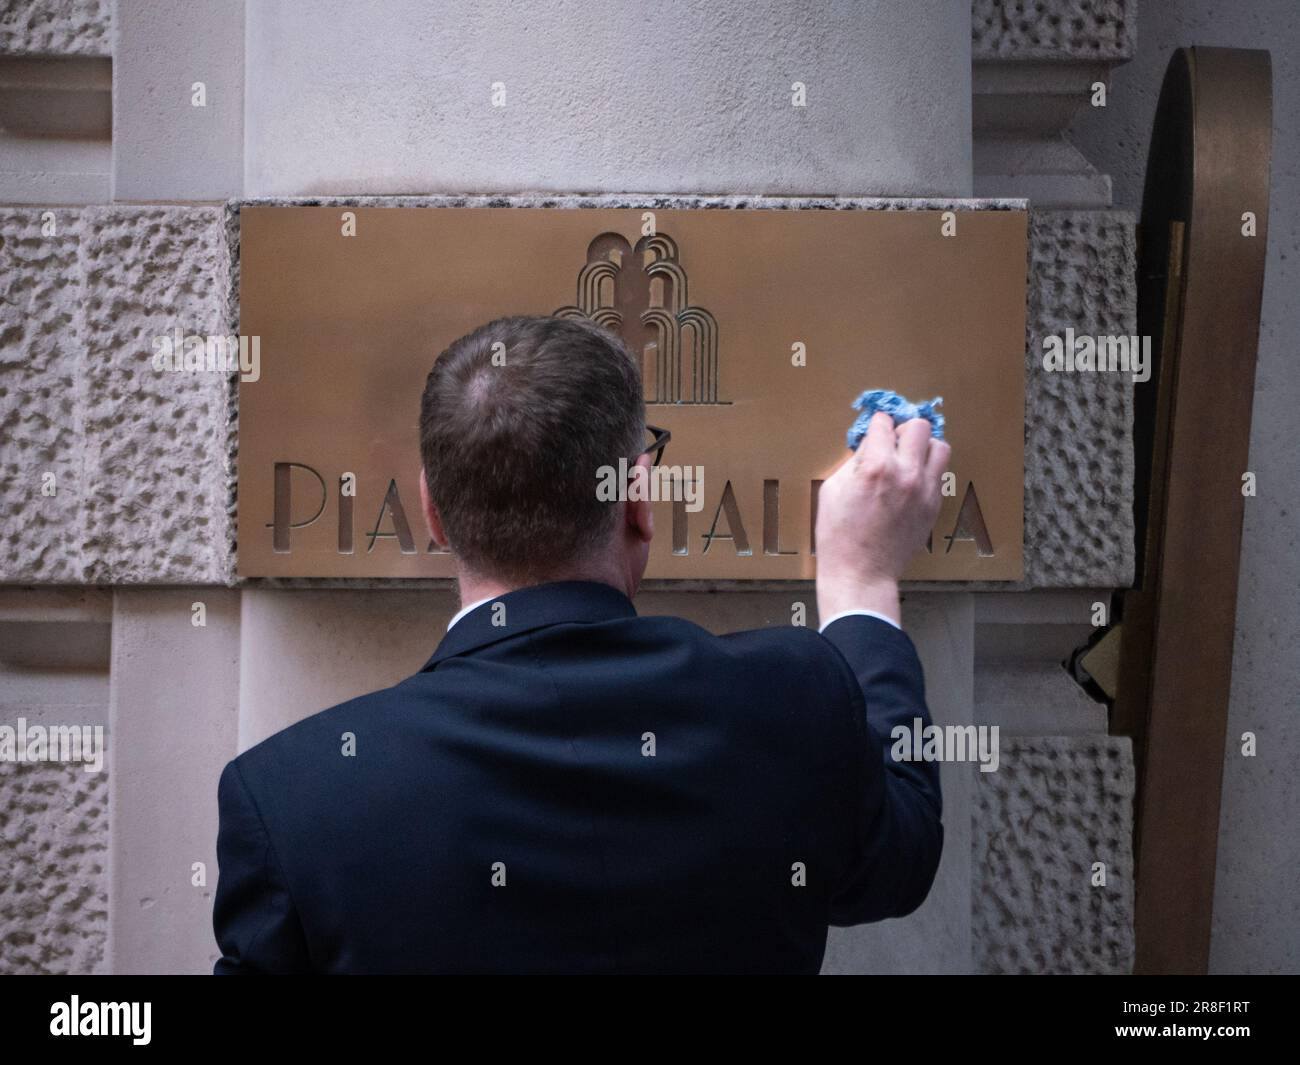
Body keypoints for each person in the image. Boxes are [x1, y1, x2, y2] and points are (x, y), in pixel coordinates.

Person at [213, 314, 950, 974]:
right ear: (639, 498)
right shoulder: (793, 702)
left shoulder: (293, 800)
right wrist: (861, 582)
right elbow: (902, 851)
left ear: (433, 513)